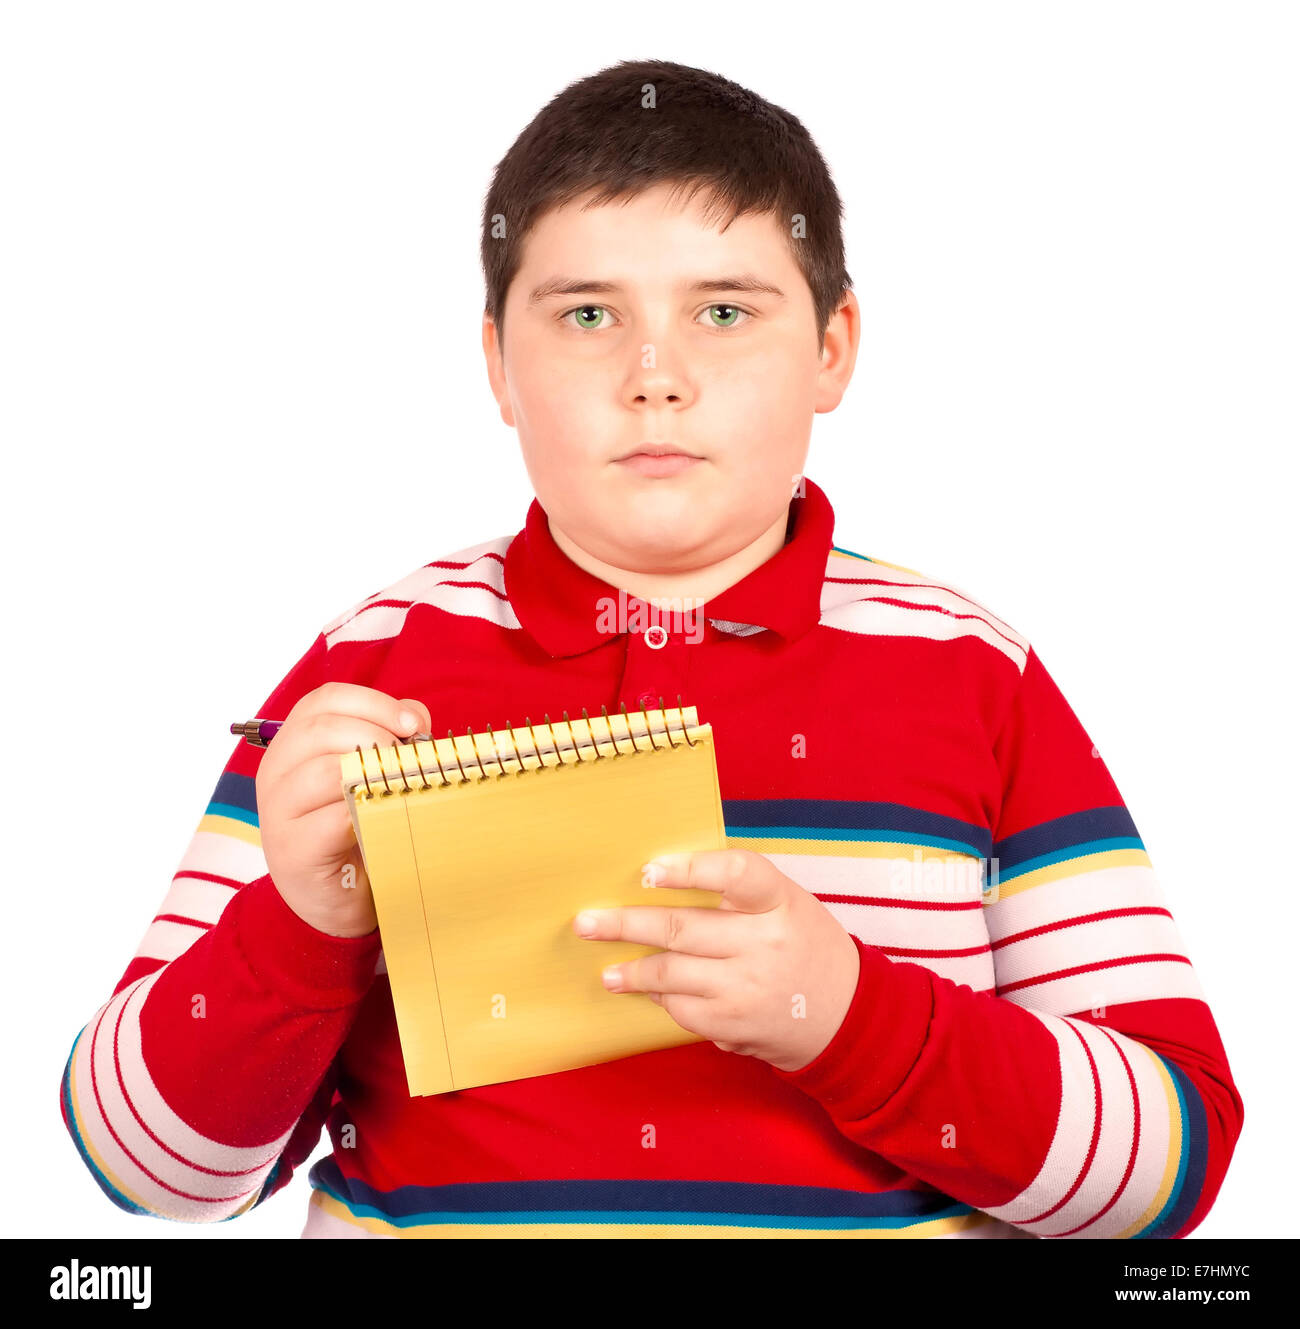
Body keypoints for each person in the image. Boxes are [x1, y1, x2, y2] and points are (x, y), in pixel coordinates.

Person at [60, 58, 1243, 1238]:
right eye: (588, 315)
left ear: (833, 347)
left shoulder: (972, 673)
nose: (655, 378)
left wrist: (848, 1015)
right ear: (496, 367)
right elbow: (148, 1173)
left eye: (722, 312)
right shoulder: (369, 668)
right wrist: (299, 927)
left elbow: (1166, 1171)